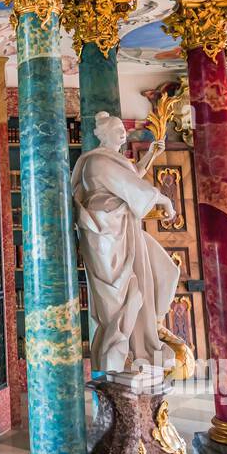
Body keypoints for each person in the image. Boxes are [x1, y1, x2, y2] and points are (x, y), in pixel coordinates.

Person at [71, 112, 182, 376]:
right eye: (118, 129)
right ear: (104, 134)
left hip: (123, 230)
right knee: (121, 299)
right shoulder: (97, 161)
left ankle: (148, 333)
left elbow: (132, 176)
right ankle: (120, 359)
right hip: (108, 237)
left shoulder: (113, 161)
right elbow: (130, 185)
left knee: (166, 271)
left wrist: (151, 155)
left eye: (124, 129)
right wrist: (165, 200)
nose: (124, 133)